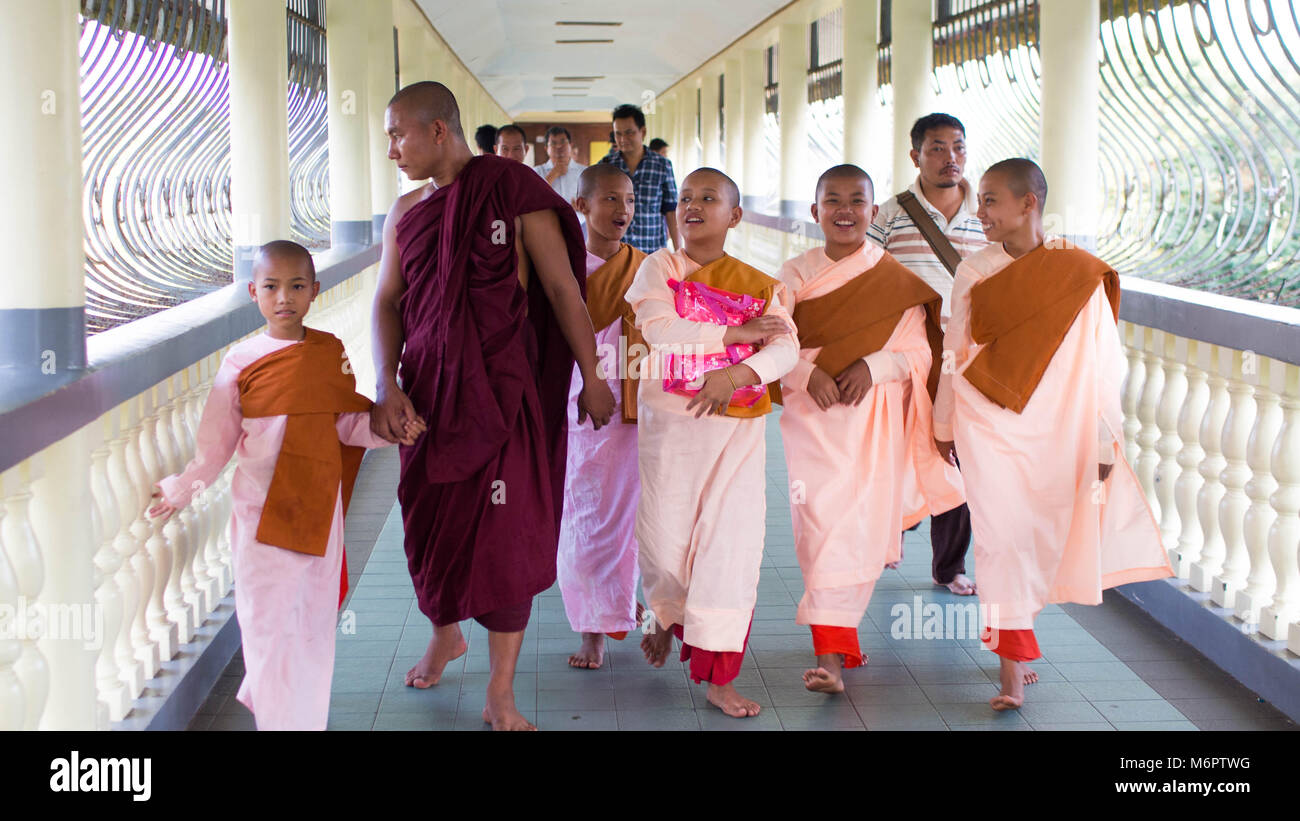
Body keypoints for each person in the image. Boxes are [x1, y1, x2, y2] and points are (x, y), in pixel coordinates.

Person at [371, 82, 615, 731]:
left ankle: (500, 692)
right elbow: (387, 301)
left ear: (438, 131)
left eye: (399, 133)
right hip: (427, 395)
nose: (392, 147)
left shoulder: (509, 190)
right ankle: (444, 632)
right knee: (428, 526)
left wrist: (592, 375)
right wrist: (384, 384)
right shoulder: (404, 212)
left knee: (507, 538)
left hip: (504, 398)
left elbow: (563, 289)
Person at [148, 241, 424, 731]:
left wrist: (389, 430)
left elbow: (345, 425)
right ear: (254, 292)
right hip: (260, 519)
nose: (284, 298)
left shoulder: (328, 352)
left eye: (296, 286)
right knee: (265, 626)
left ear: (315, 291)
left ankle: (305, 720)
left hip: (319, 514)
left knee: (312, 627)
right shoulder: (241, 362)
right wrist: (181, 489)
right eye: (272, 287)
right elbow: (216, 447)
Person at [932, 158, 1172, 711]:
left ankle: (1018, 631)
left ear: (1028, 204)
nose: (981, 211)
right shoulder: (975, 270)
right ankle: (1011, 667)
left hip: (1058, 424)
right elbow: (954, 351)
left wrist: (1108, 441)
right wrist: (944, 420)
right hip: (986, 420)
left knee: (1039, 535)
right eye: (981, 200)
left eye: (991, 200)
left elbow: (1103, 364)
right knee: (999, 538)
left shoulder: (1078, 271)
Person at [778, 165, 964, 694]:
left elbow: (917, 351)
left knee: (853, 533)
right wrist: (806, 373)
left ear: (873, 211)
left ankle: (832, 654)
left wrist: (874, 367)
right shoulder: (793, 275)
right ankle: (834, 647)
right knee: (819, 531)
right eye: (831, 200)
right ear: (814, 212)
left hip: (871, 424)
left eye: (856, 200)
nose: (844, 210)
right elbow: (775, 343)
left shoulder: (894, 278)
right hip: (813, 423)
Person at [628, 167, 798, 718]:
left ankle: (720, 678)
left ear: (736, 215)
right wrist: (733, 335)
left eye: (709, 197)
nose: (693, 205)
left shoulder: (760, 283)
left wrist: (736, 375)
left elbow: (785, 350)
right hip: (670, 428)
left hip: (736, 430)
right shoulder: (660, 267)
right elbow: (659, 328)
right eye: (685, 197)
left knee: (730, 549)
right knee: (664, 545)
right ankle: (667, 616)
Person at [869, 112, 987, 597]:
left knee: (957, 456)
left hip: (965, 357)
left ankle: (949, 566)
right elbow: (864, 273)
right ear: (915, 155)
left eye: (958, 147)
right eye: (937, 148)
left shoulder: (987, 211)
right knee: (896, 451)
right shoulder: (892, 212)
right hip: (907, 353)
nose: (950, 158)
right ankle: (890, 532)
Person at [558, 164, 646, 670]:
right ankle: (591, 626)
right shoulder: (563, 269)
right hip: (576, 408)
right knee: (583, 515)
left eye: (629, 200)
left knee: (625, 517)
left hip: (634, 410)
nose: (622, 211)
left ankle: (614, 604)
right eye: (610, 200)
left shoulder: (647, 266)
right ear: (582, 205)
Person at [600, 104, 680, 254]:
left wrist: (678, 251)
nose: (623, 139)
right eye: (618, 134)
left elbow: (671, 210)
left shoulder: (662, 165)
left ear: (642, 132)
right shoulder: (606, 166)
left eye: (629, 132)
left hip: (652, 251)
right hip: (617, 253)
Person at [534, 125, 586, 205]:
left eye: (563, 142)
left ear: (571, 146)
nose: (559, 147)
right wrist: (553, 174)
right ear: (546, 148)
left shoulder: (584, 172)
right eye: (553, 143)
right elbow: (532, 198)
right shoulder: (536, 172)